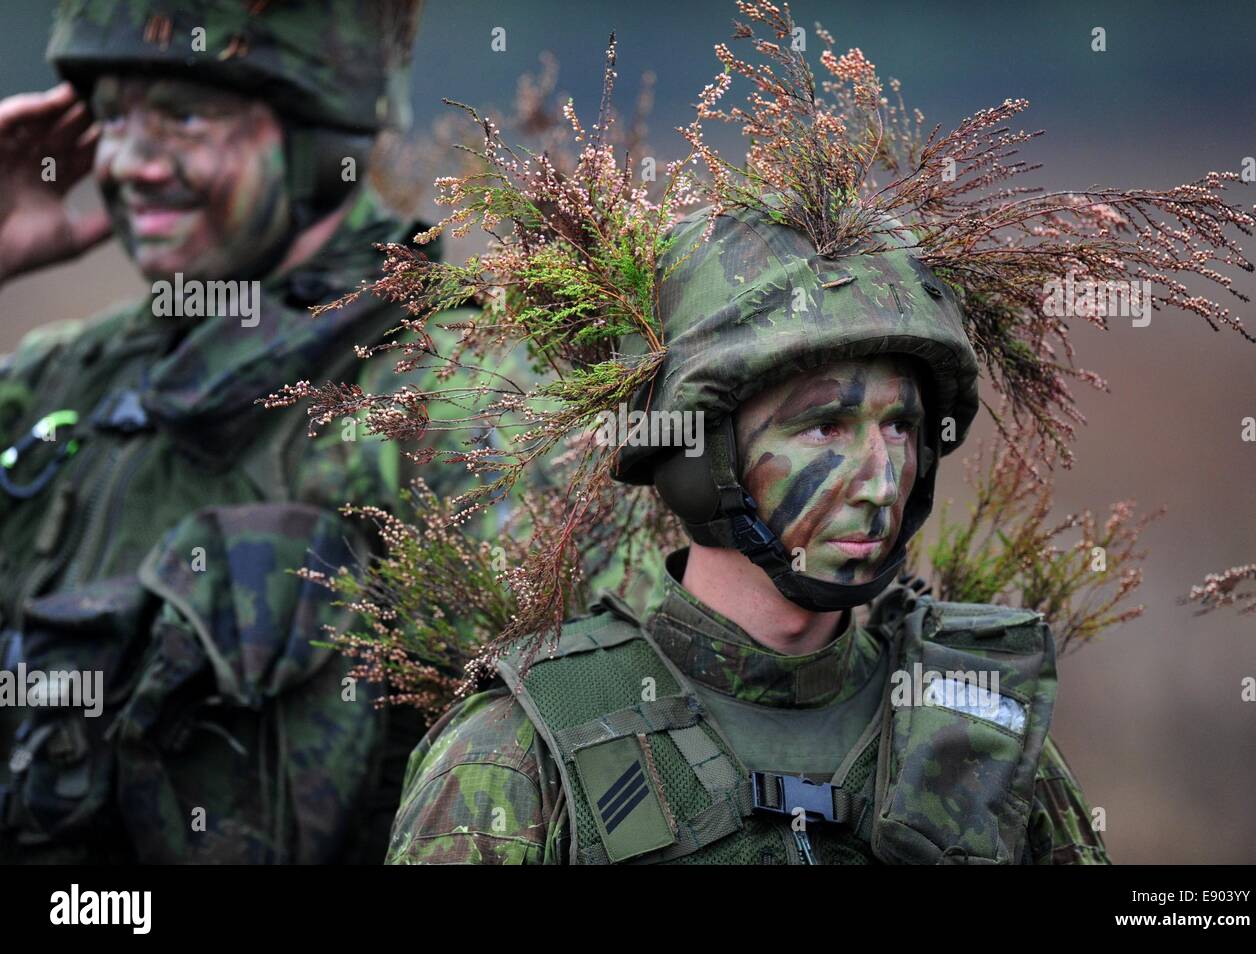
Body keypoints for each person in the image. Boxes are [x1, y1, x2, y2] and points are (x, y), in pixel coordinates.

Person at [385, 204, 1111, 865]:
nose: (882, 480)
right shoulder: (516, 753)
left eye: (901, 427)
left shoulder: (976, 739)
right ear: (701, 454)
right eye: (825, 426)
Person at [0, 0, 479, 863]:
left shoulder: (450, 395)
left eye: (182, 117)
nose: (125, 163)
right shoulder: (63, 375)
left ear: (321, 143)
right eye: (108, 117)